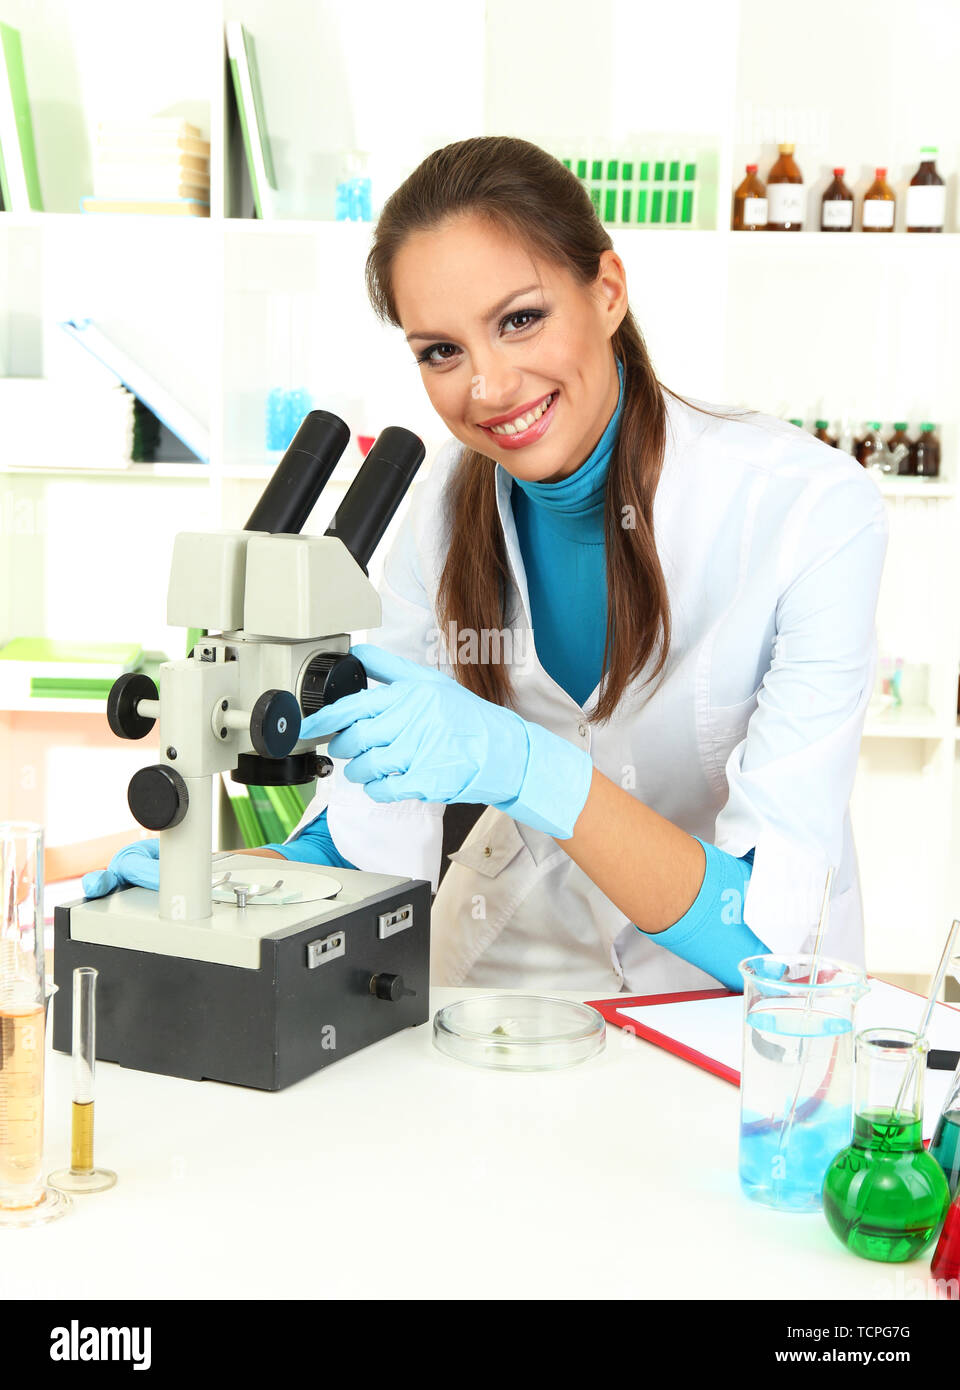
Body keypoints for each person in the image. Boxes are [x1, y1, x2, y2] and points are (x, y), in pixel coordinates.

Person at [84, 136, 888, 996]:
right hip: (509, 981)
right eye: (441, 351)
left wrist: (527, 765)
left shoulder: (809, 509)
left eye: (520, 320)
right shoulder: (432, 511)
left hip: (741, 1005)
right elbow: (367, 829)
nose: (490, 387)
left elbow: (772, 929)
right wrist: (221, 883)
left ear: (607, 291)